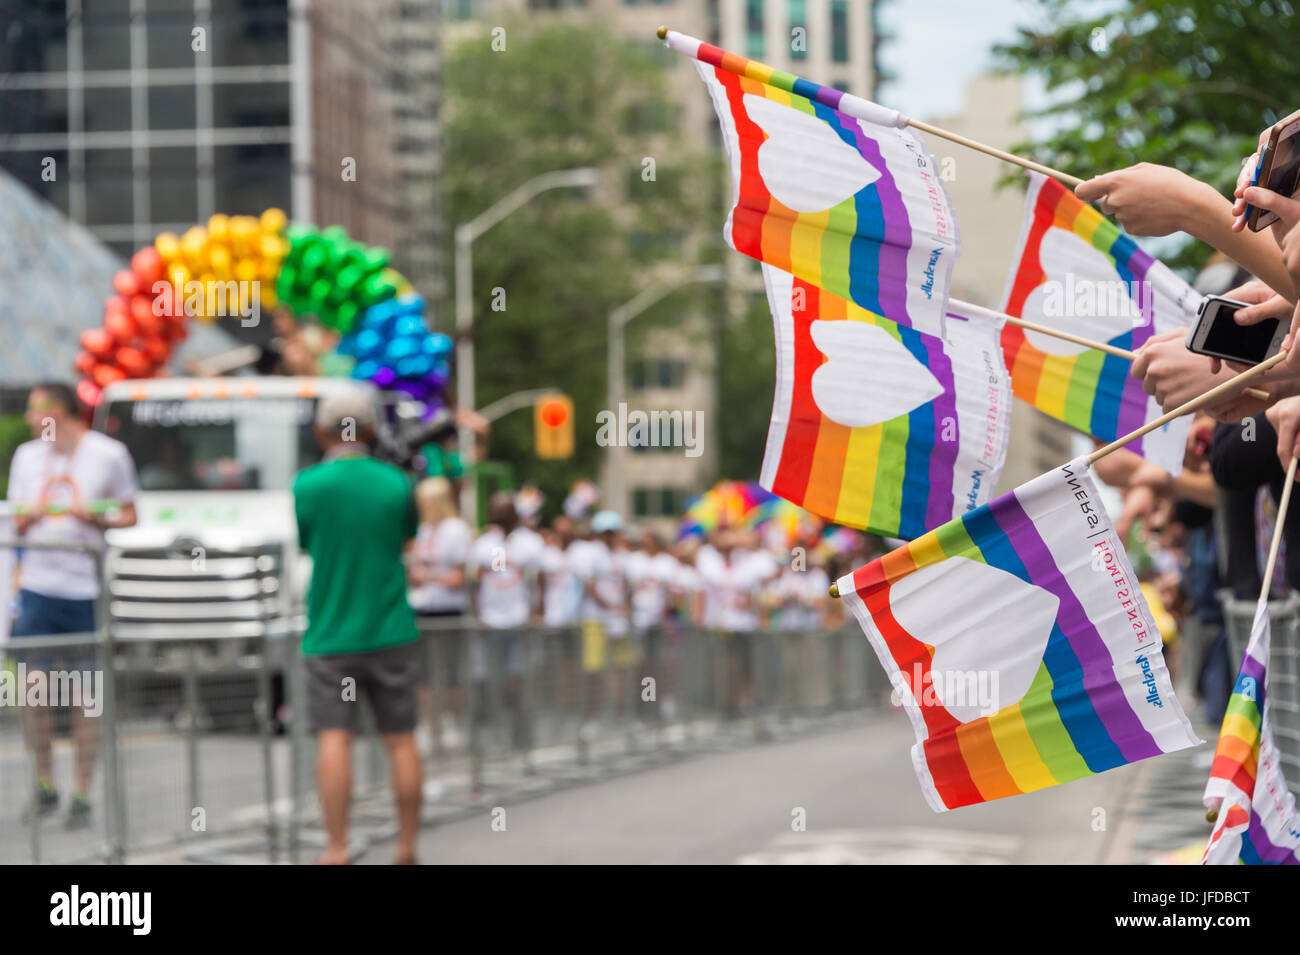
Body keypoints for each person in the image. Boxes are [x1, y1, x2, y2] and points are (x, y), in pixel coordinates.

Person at [293, 387, 422, 865]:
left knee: (334, 737)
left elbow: (308, 543)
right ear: (370, 430)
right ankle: (406, 846)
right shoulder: (396, 484)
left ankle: (336, 847)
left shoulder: (307, 487)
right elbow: (407, 539)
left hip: (331, 632)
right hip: (391, 629)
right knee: (401, 739)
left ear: (322, 431)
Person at [7, 383, 138, 828]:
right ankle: (44, 782)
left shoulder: (108, 453)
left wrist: (94, 516)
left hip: (84, 590)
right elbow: (16, 519)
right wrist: (33, 515)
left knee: (88, 695)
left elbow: (129, 512)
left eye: (33, 409)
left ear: (56, 411)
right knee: (34, 688)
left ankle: (82, 790)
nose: (28, 417)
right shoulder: (27, 456)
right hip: (39, 589)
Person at [468, 492, 544, 774]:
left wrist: (538, 612)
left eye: (504, 510)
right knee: (484, 681)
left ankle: (521, 742)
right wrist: (477, 615)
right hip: (489, 625)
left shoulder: (530, 543)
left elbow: (540, 579)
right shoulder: (483, 545)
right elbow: (474, 583)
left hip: (519, 623)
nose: (499, 515)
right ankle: (487, 743)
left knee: (518, 682)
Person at [406, 477, 472, 752]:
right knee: (422, 672)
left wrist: (429, 575)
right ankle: (426, 724)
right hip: (421, 607)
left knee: (449, 668)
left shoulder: (455, 529)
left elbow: (460, 575)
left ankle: (451, 721)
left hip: (448, 608)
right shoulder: (422, 530)